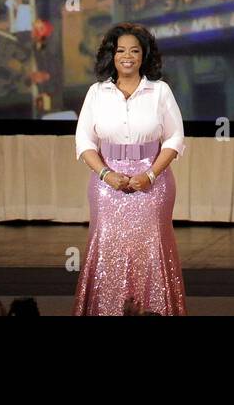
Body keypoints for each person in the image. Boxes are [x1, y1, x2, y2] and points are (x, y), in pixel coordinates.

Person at [73, 22, 187, 316]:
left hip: (153, 182)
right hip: (106, 184)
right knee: (109, 250)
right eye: (121, 50)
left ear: (143, 56)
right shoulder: (97, 93)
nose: (127, 56)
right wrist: (105, 174)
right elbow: (84, 140)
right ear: (111, 55)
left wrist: (150, 175)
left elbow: (175, 137)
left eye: (134, 51)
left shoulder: (159, 91)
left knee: (150, 250)